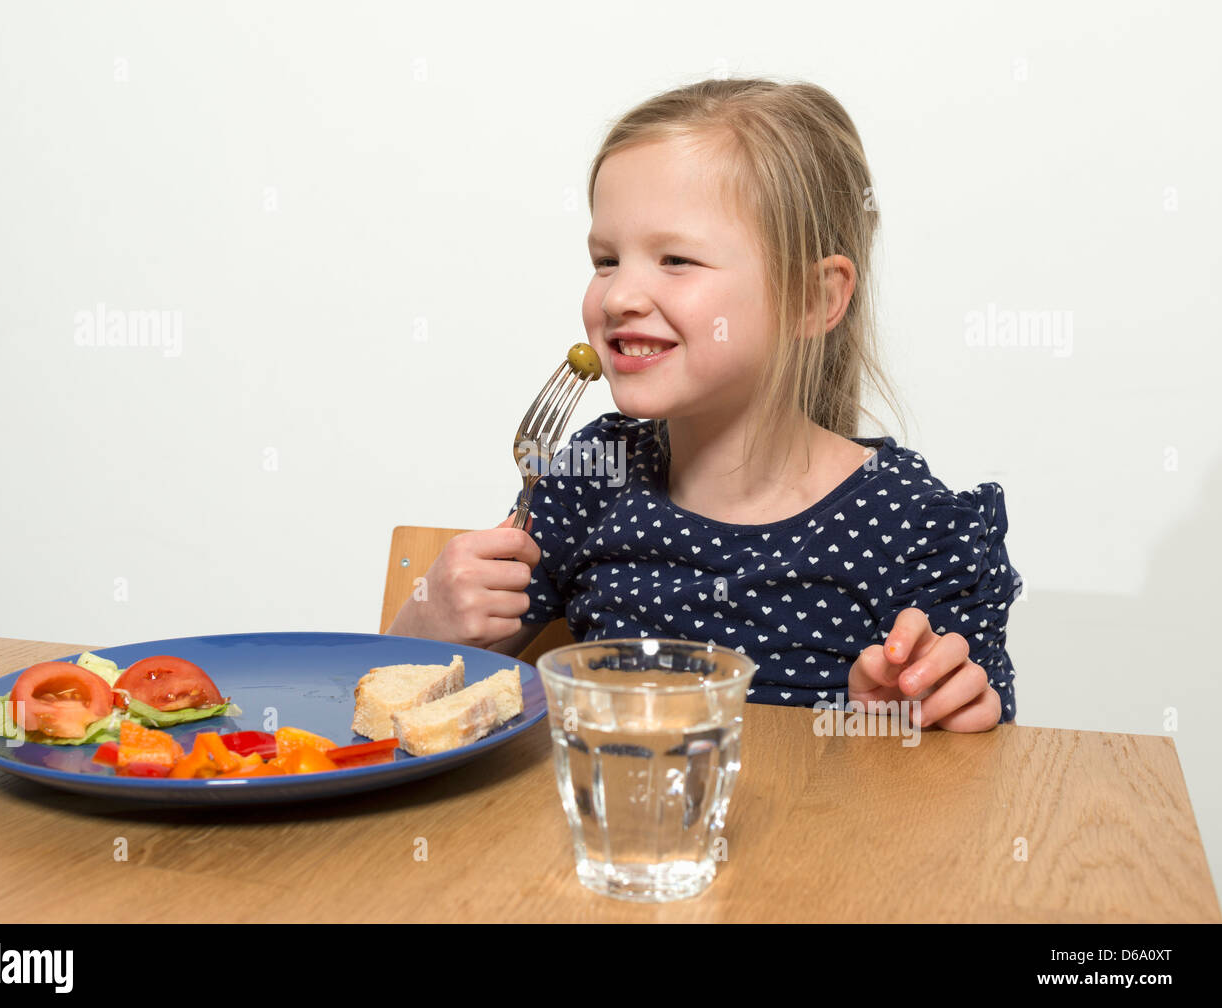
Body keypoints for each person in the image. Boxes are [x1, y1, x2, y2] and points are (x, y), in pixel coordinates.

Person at [387, 77, 1022, 731]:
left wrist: (913, 713)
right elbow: (425, 710)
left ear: (812, 299)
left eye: (676, 259)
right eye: (606, 259)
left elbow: (978, 762)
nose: (618, 296)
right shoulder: (592, 477)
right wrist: (429, 625)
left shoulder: (916, 529)